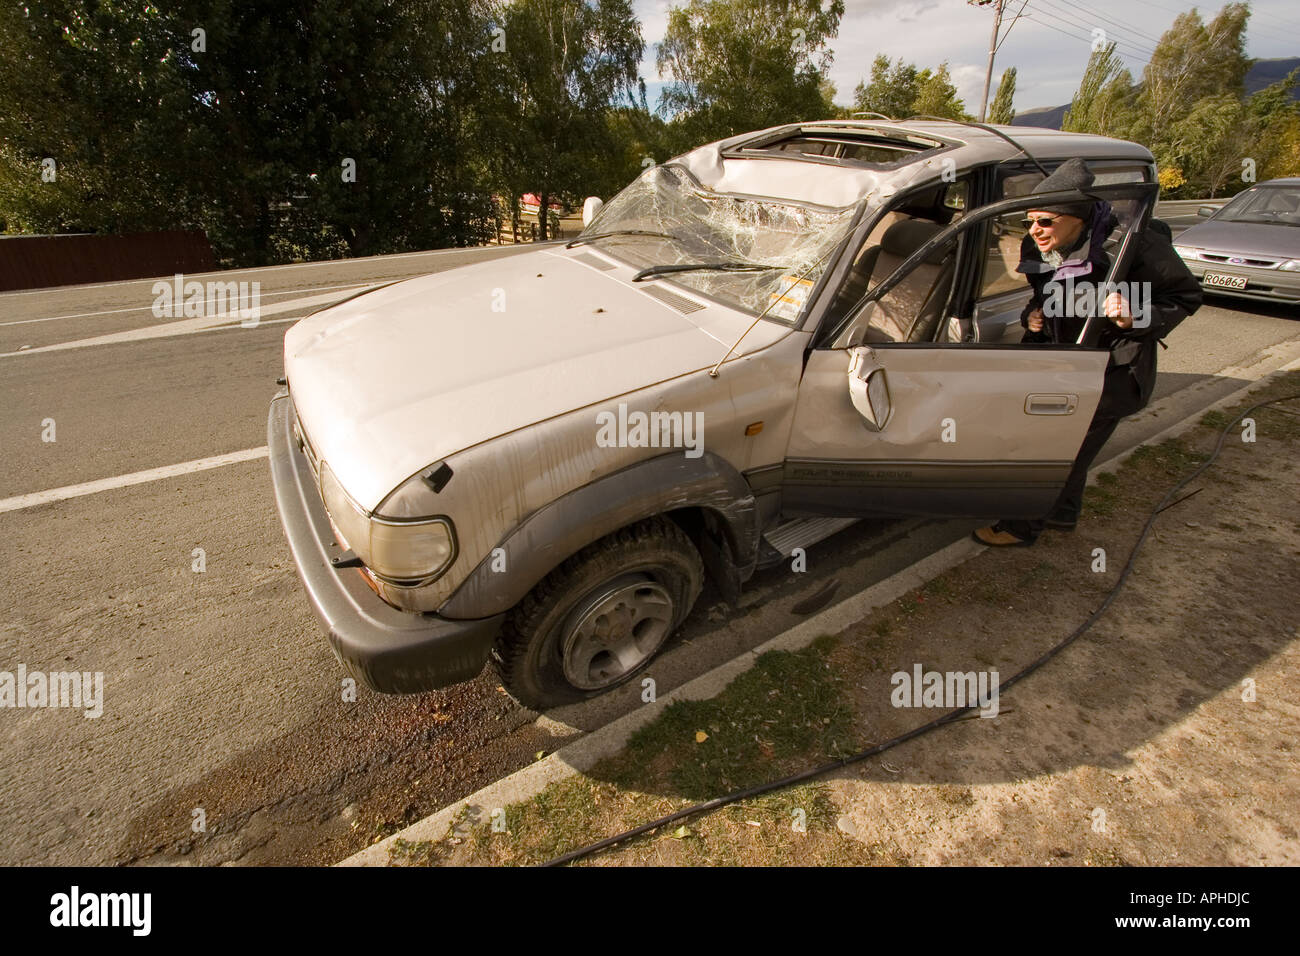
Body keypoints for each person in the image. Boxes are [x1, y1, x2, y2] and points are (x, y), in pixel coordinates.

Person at [973, 158, 1203, 547]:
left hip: (1111, 373)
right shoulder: (1040, 245)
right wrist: (1036, 314)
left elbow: (1186, 295)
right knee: (1071, 450)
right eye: (1030, 220)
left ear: (1076, 217)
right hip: (1063, 362)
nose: (1034, 230)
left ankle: (1020, 526)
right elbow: (1045, 293)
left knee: (1058, 452)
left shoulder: (1134, 246)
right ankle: (1062, 516)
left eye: (1045, 221)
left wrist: (1135, 315)